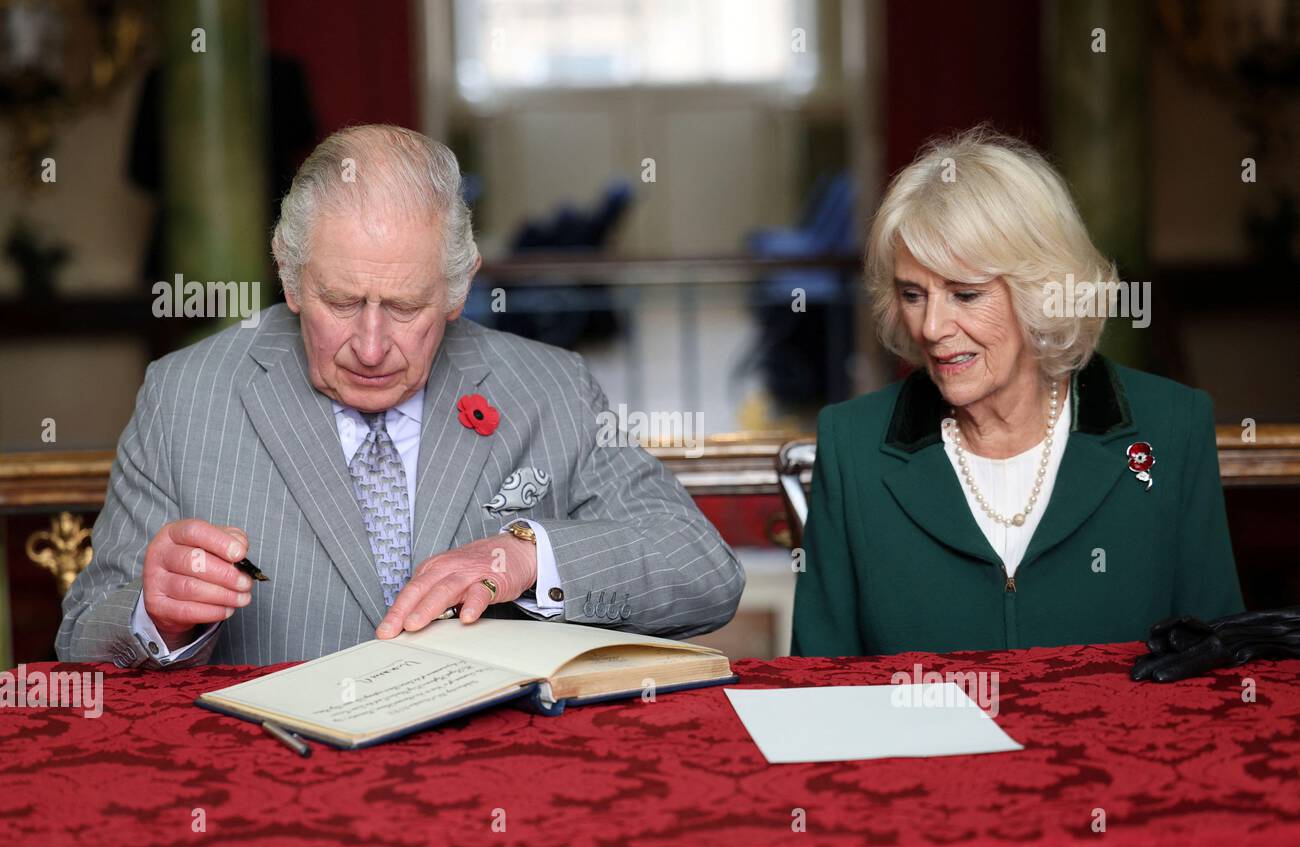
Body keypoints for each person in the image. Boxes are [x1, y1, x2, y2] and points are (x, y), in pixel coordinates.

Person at [58, 124, 744, 667]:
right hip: (273, 792)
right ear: (290, 277)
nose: (373, 344)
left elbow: (703, 572)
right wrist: (158, 616)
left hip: (493, 789)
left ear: (458, 287)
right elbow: (82, 637)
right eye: (341, 301)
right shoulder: (183, 397)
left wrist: (524, 557)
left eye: (408, 305)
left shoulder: (552, 387)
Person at [793, 128, 1243, 656]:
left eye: (965, 294)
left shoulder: (1171, 426)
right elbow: (816, 685)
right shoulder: (853, 445)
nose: (933, 326)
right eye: (913, 294)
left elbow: (1217, 668)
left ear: (1040, 292)